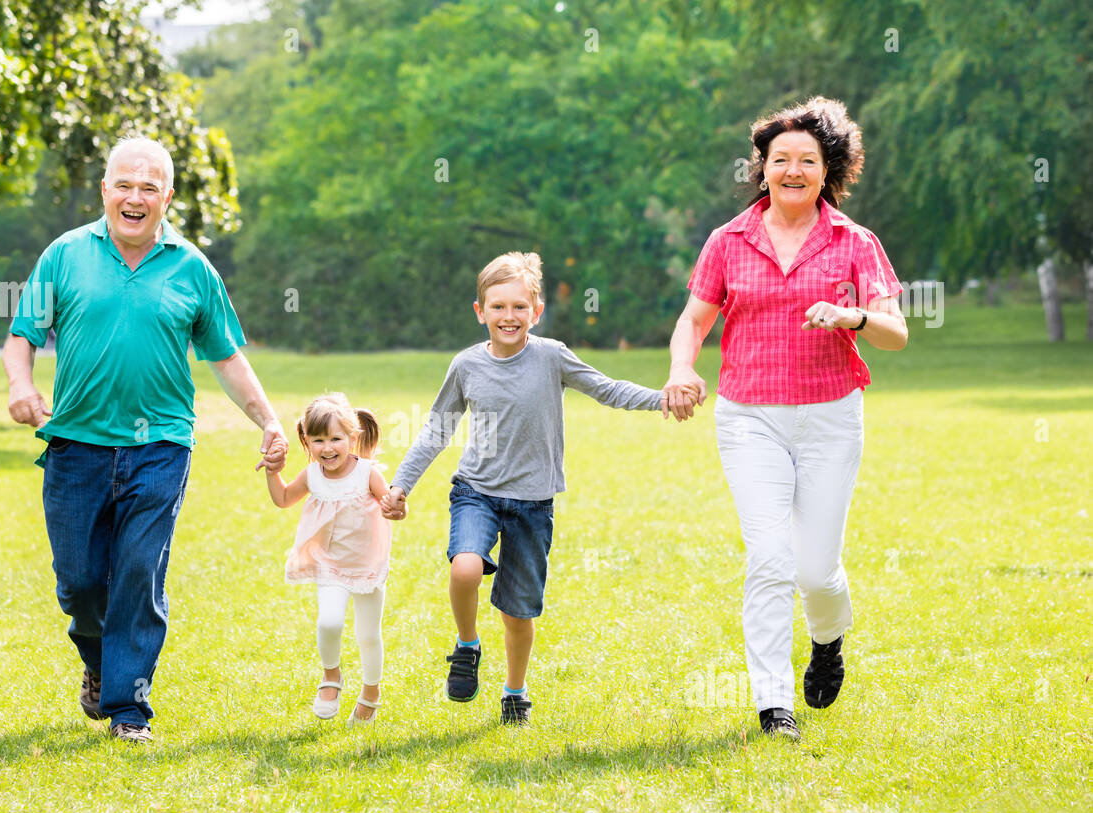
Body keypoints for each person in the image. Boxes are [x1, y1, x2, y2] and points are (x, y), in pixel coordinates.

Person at [2, 136, 288, 743]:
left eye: (149, 187)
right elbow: (22, 334)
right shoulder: (66, 255)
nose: (135, 197)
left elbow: (227, 357)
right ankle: (100, 663)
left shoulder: (192, 268)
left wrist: (266, 418)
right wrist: (20, 384)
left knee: (138, 571)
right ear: (104, 190)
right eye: (124, 185)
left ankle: (129, 709)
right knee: (80, 581)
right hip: (77, 443)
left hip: (161, 446)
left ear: (168, 197)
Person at [662, 97, 909, 742]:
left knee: (816, 572)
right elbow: (694, 319)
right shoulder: (728, 240)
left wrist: (851, 316)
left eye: (808, 160)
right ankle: (773, 707)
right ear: (762, 168)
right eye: (781, 160)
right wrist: (682, 370)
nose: (794, 170)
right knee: (769, 560)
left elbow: (895, 333)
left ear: (829, 170)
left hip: (831, 418)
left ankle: (827, 640)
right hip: (750, 418)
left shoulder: (855, 243)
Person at [381, 252, 671, 725]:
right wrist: (400, 485)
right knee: (465, 569)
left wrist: (662, 399)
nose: (508, 316)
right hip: (477, 490)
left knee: (518, 613)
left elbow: (607, 389)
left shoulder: (552, 356)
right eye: (497, 307)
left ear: (535, 311)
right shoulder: (466, 366)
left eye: (519, 307)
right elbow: (437, 430)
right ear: (480, 312)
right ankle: (467, 646)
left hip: (533, 504)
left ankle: (515, 690)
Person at [266, 394, 392, 726]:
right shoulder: (312, 475)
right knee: (329, 622)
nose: (328, 447)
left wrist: (399, 507)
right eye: (318, 440)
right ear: (306, 440)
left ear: (353, 437)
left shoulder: (367, 473)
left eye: (336, 438)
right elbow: (282, 498)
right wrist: (273, 471)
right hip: (329, 564)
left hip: (366, 565)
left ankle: (370, 695)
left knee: (368, 634)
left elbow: (391, 503)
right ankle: (331, 678)